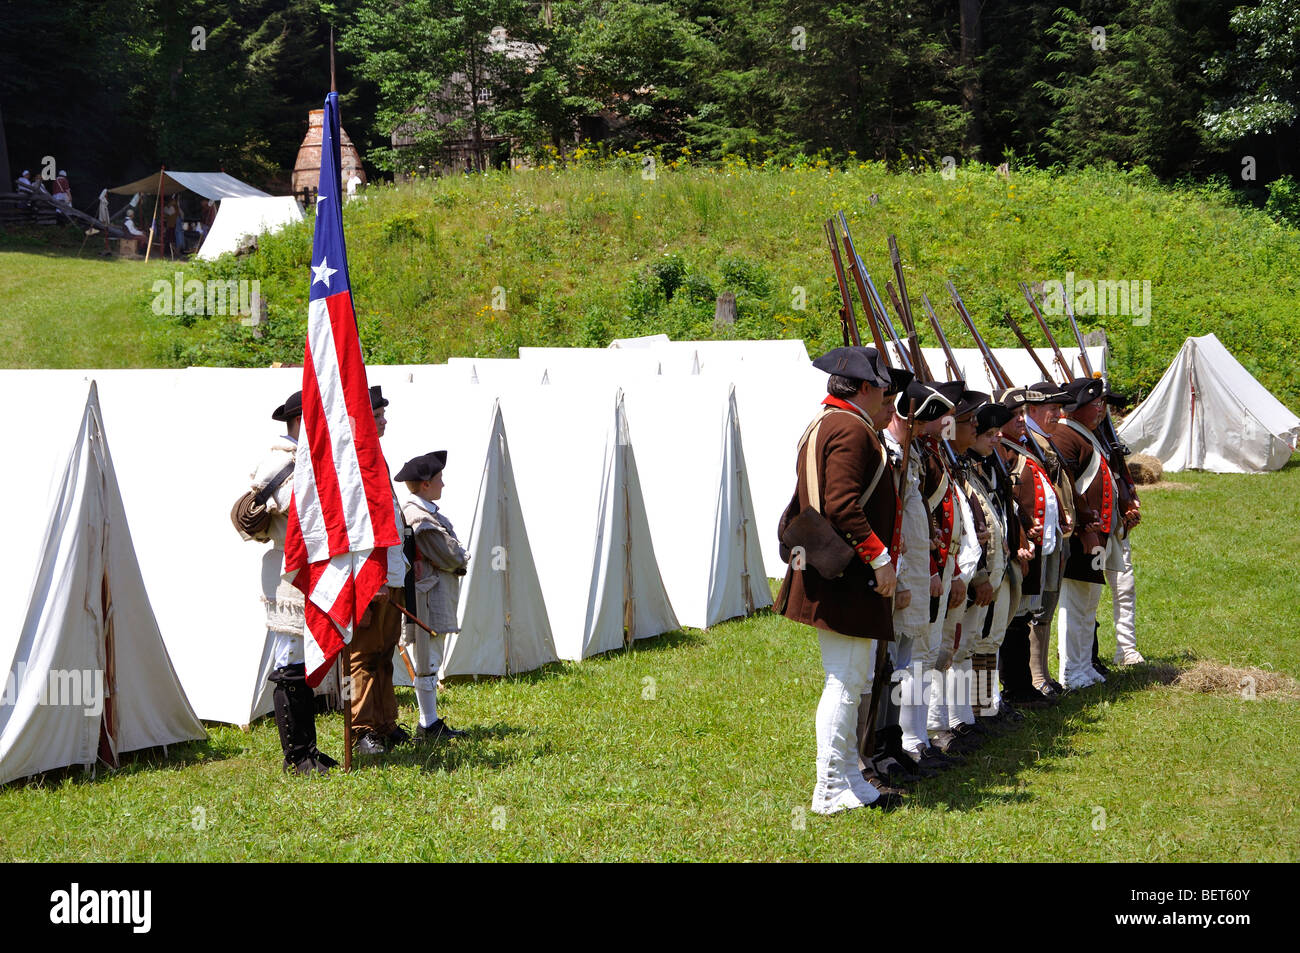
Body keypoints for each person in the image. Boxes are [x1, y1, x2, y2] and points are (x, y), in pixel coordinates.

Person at [776, 346, 902, 814]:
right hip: (847, 572)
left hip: (835, 567)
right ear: (866, 387)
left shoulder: (828, 422)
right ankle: (829, 786)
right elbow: (842, 506)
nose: (889, 393)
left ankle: (850, 776)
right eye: (884, 386)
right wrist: (880, 559)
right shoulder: (849, 429)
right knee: (845, 681)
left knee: (855, 676)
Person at [251, 390, 337, 774]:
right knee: (289, 659)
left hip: (305, 568)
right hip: (288, 570)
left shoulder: (303, 459)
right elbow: (295, 506)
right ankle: (296, 756)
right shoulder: (280, 461)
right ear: (302, 421)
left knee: (301, 657)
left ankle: (309, 751)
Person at [349, 385, 412, 756]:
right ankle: (360, 731)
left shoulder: (377, 458)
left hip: (391, 571)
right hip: (371, 575)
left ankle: (385, 724)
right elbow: (358, 527)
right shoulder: (355, 460)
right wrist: (371, 579)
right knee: (363, 656)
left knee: (386, 651)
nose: (384, 420)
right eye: (378, 415)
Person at [395, 450, 469, 741]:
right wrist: (460, 557)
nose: (443, 484)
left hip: (430, 592)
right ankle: (428, 725)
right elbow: (451, 556)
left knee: (430, 659)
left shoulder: (424, 512)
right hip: (425, 596)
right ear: (425, 484)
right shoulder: (419, 517)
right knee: (427, 660)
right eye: (439, 479)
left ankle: (431, 723)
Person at [1054, 378, 1119, 689]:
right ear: (1079, 407)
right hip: (1083, 536)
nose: (1101, 411)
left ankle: (1083, 664)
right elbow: (1065, 489)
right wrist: (1082, 528)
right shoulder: (1066, 436)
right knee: (1075, 602)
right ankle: (1070, 670)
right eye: (1097, 405)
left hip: (1097, 536)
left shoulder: (1084, 435)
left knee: (1089, 601)